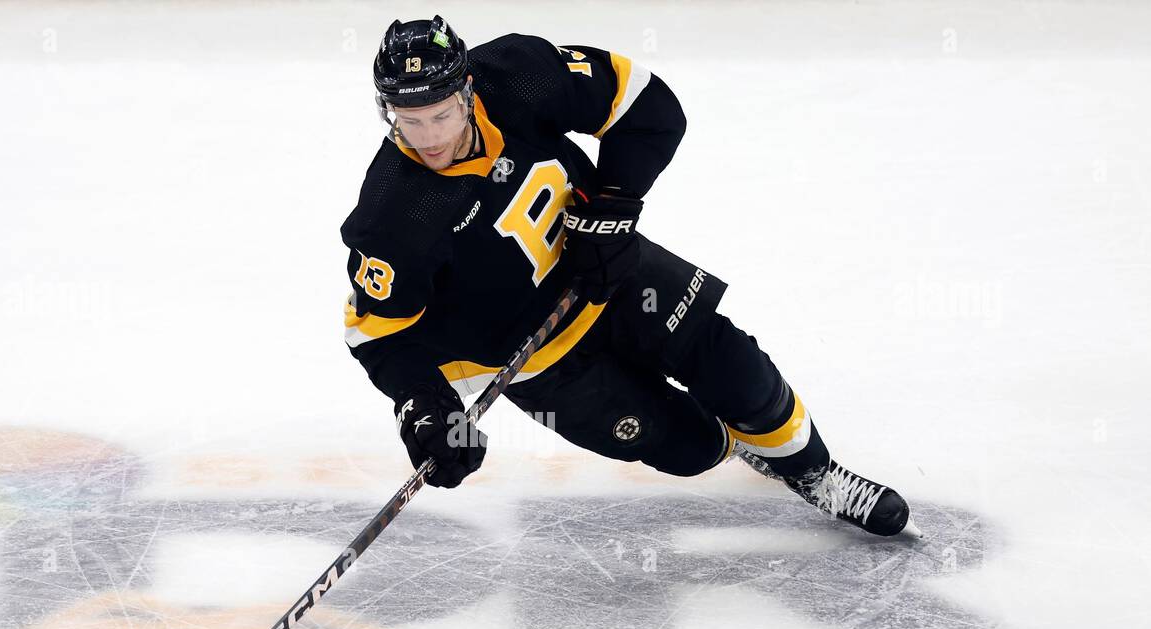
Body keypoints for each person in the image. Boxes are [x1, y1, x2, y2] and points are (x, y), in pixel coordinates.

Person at [340, 16, 913, 536]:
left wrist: (611, 207)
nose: (431, 137)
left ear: (467, 91)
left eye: (441, 115)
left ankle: (818, 475)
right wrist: (423, 409)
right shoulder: (390, 216)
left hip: (607, 275)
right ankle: (737, 447)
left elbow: (645, 104)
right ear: (387, 111)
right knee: (688, 447)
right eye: (410, 120)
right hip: (534, 359)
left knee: (739, 373)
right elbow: (376, 335)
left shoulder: (517, 74)